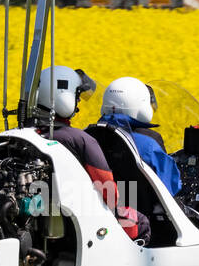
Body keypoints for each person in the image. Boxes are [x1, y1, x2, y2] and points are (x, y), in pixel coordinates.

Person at [35, 66, 150, 243]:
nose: (78, 103)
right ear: (64, 97)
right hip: (86, 221)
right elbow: (110, 193)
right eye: (77, 97)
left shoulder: (27, 135)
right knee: (141, 223)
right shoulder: (81, 140)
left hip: (44, 217)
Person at [97, 76, 183, 197]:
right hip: (137, 213)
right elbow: (171, 188)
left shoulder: (87, 135)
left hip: (96, 209)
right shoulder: (148, 145)